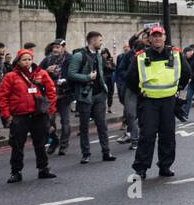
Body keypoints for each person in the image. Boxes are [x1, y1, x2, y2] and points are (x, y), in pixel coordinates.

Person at [128, 26, 190, 181]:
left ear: (165, 37)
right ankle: (141, 168)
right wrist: (139, 92)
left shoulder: (175, 53)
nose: (157, 38)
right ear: (149, 39)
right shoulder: (141, 56)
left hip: (169, 101)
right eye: (153, 36)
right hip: (149, 102)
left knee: (167, 135)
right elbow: (130, 78)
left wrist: (178, 88)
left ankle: (165, 166)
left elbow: (187, 73)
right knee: (147, 135)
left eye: (159, 35)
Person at [0, 49, 58, 183]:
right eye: (24, 59)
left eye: (29, 59)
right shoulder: (10, 76)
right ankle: (16, 172)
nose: (27, 62)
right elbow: (2, 97)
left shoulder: (41, 74)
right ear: (18, 61)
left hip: (39, 115)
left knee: (40, 144)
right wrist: (7, 115)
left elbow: (51, 91)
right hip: (20, 116)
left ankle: (43, 169)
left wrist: (50, 110)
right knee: (17, 145)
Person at [67, 31, 117, 164]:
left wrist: (105, 89)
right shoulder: (79, 56)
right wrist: (87, 77)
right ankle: (86, 154)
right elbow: (71, 74)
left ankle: (106, 152)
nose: (101, 43)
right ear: (93, 41)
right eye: (100, 40)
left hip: (100, 95)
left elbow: (100, 74)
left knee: (102, 125)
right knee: (84, 127)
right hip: (85, 96)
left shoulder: (99, 56)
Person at [41, 40, 73, 155]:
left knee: (65, 121)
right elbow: (37, 72)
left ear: (63, 48)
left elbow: (73, 75)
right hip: (50, 95)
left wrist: (65, 81)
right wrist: (46, 71)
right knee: (48, 122)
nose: (55, 49)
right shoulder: (47, 59)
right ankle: (54, 141)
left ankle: (64, 145)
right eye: (54, 47)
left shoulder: (70, 59)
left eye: (58, 47)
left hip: (64, 94)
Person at [114, 38, 142, 147]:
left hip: (144, 88)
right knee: (131, 114)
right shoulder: (127, 56)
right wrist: (129, 77)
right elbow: (120, 70)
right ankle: (134, 139)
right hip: (130, 88)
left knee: (144, 114)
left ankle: (142, 136)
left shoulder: (148, 54)